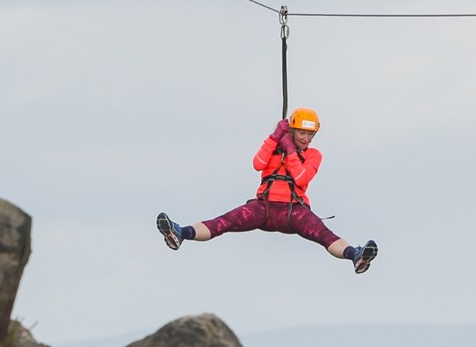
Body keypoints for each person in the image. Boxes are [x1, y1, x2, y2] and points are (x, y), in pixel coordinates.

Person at [156, 107, 378, 274]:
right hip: (263, 206)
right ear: (292, 129)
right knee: (224, 222)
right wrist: (274, 138)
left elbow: (302, 177)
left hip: (294, 211)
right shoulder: (274, 147)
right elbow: (257, 163)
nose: (307, 139)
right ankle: (180, 233)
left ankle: (356, 256)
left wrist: (290, 150)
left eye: (311, 135)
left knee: (323, 234)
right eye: (302, 133)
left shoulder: (314, 155)